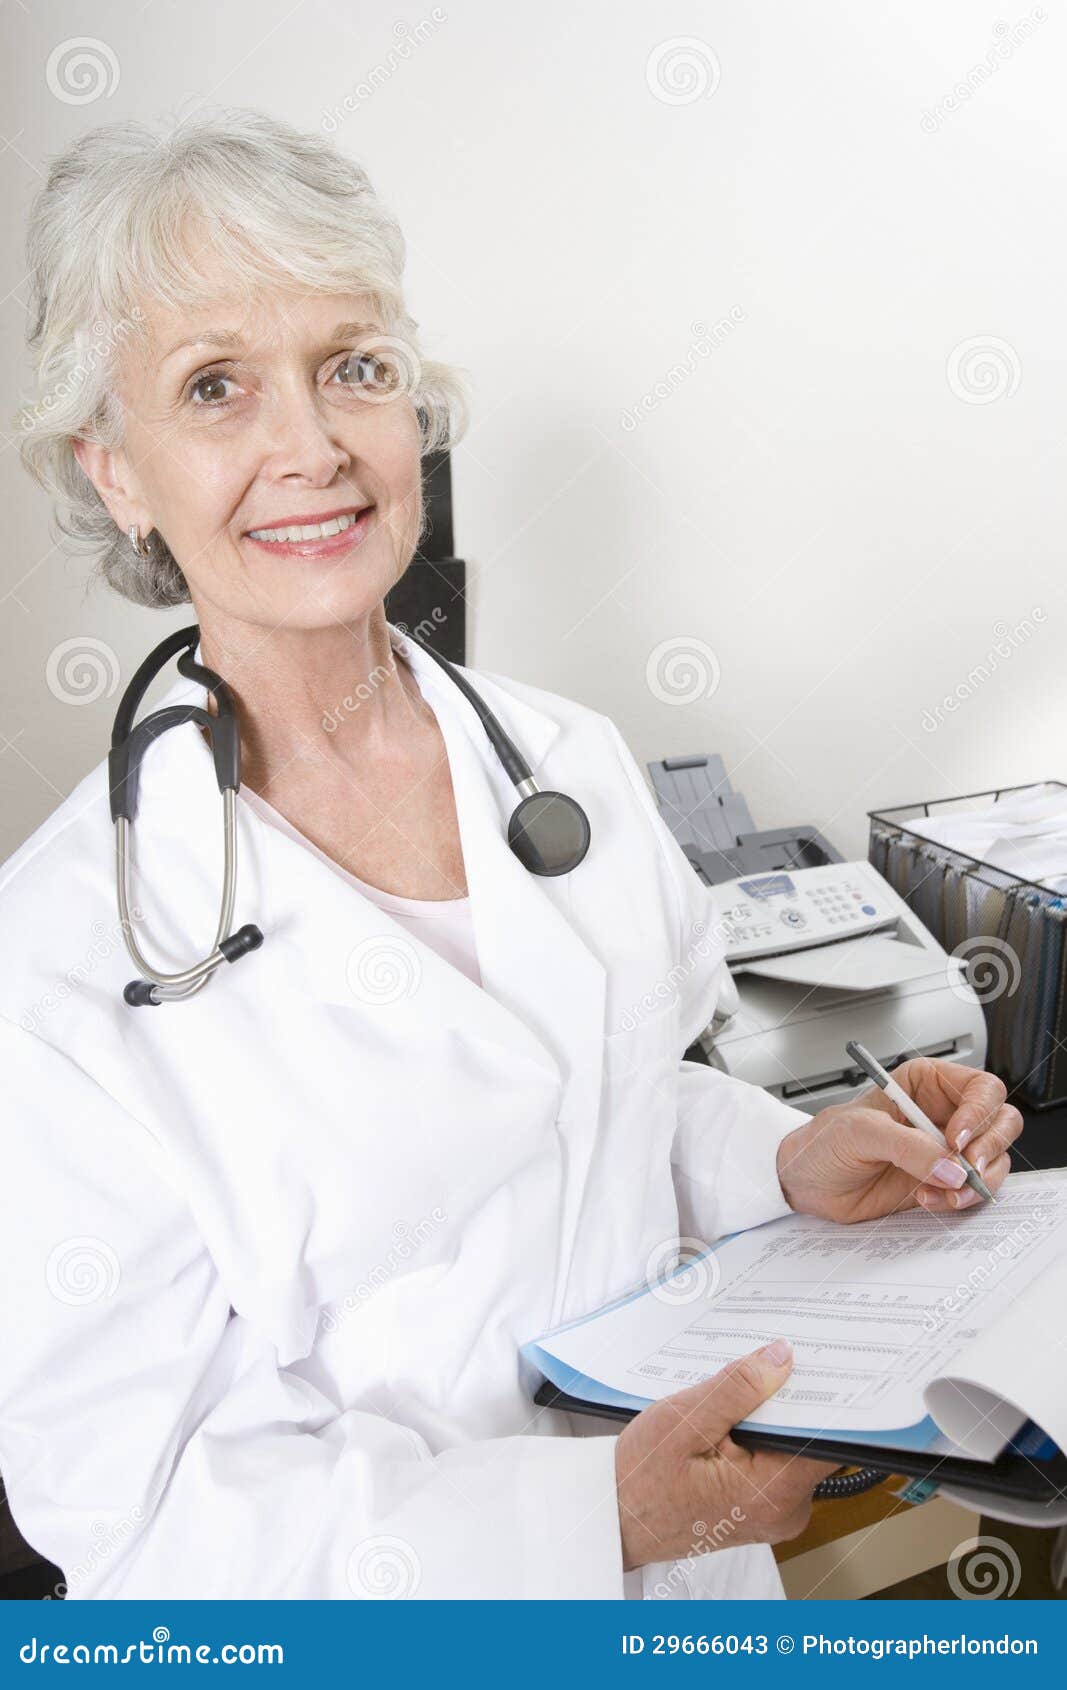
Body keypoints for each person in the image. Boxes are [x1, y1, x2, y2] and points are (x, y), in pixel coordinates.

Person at [0, 109, 1021, 1600]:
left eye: (352, 367)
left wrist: (788, 1159)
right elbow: (128, 1511)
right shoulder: (62, 954)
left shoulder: (568, 764)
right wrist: (586, 1519)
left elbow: (612, 1112)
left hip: (700, 1601)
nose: (313, 445)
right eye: (215, 387)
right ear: (118, 473)